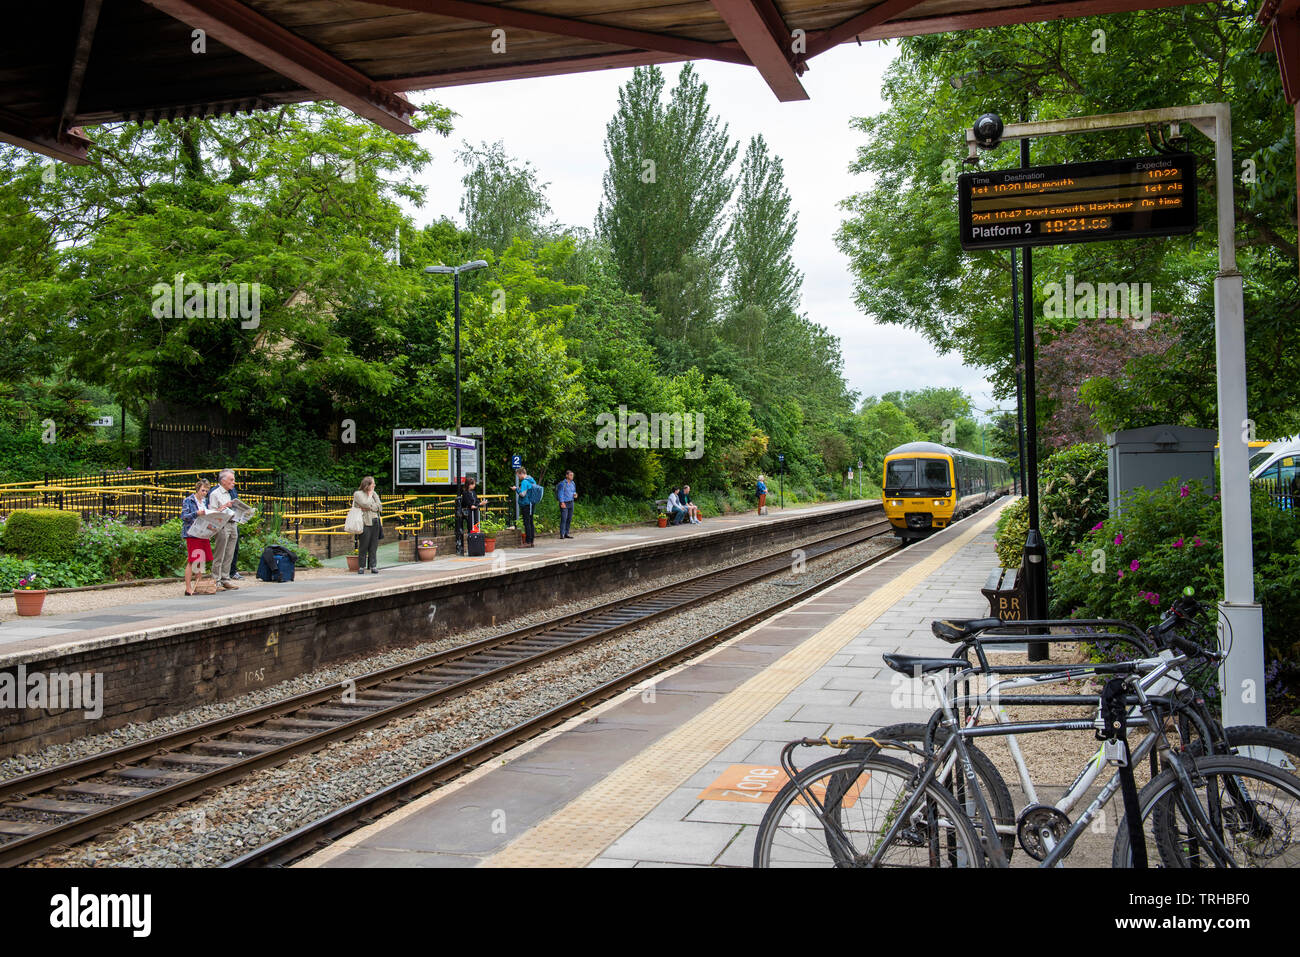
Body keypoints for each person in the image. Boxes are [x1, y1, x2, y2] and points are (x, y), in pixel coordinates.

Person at [207, 469, 240, 590]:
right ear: (223, 481)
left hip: (233, 523)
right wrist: (225, 507)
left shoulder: (231, 493)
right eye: (231, 480)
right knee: (219, 553)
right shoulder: (215, 493)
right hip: (222, 525)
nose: (234, 482)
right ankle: (216, 580)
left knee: (230, 552)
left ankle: (226, 578)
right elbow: (212, 512)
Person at [180, 479, 214, 595]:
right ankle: (188, 587)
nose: (204, 493)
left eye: (206, 491)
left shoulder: (205, 501)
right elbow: (184, 516)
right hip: (192, 533)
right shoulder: (189, 500)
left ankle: (198, 585)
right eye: (203, 490)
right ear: (197, 489)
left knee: (201, 560)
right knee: (192, 560)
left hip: (203, 532)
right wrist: (197, 513)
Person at [353, 476, 383, 573]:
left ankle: (373, 566)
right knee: (364, 545)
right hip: (365, 522)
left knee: (374, 545)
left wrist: (371, 507)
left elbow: (380, 506)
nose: (374, 485)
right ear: (367, 484)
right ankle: (361, 566)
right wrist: (370, 498)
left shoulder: (375, 493)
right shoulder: (358, 494)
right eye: (373, 483)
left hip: (375, 521)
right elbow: (364, 504)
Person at [513, 467, 537, 547]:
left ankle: (527, 542)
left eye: (518, 476)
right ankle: (531, 541)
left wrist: (516, 489)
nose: (518, 478)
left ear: (521, 473)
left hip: (526, 504)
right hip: (531, 503)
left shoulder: (524, 482)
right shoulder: (532, 480)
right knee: (530, 522)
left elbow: (522, 494)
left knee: (527, 522)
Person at [458, 477, 479, 553]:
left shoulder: (473, 492)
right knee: (470, 527)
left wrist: (478, 504)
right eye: (472, 484)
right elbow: (466, 502)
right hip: (469, 512)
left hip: (475, 511)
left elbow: (476, 500)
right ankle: (471, 546)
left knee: (476, 526)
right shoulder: (465, 493)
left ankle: (476, 545)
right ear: (469, 485)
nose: (474, 485)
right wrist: (471, 505)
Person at [228, 480, 243, 580]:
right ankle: (222, 575)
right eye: (231, 480)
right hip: (223, 522)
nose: (234, 482)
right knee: (224, 550)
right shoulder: (216, 491)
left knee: (235, 547)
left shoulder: (233, 490)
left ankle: (232, 571)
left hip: (234, 521)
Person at [557, 470, 577, 539]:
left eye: (572, 475)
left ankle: (566, 533)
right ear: (567, 475)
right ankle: (562, 534)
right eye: (571, 475)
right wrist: (562, 502)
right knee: (564, 518)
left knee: (569, 518)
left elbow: (574, 491)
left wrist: (575, 495)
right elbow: (560, 493)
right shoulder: (562, 484)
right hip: (564, 502)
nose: (572, 476)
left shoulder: (573, 483)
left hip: (571, 502)